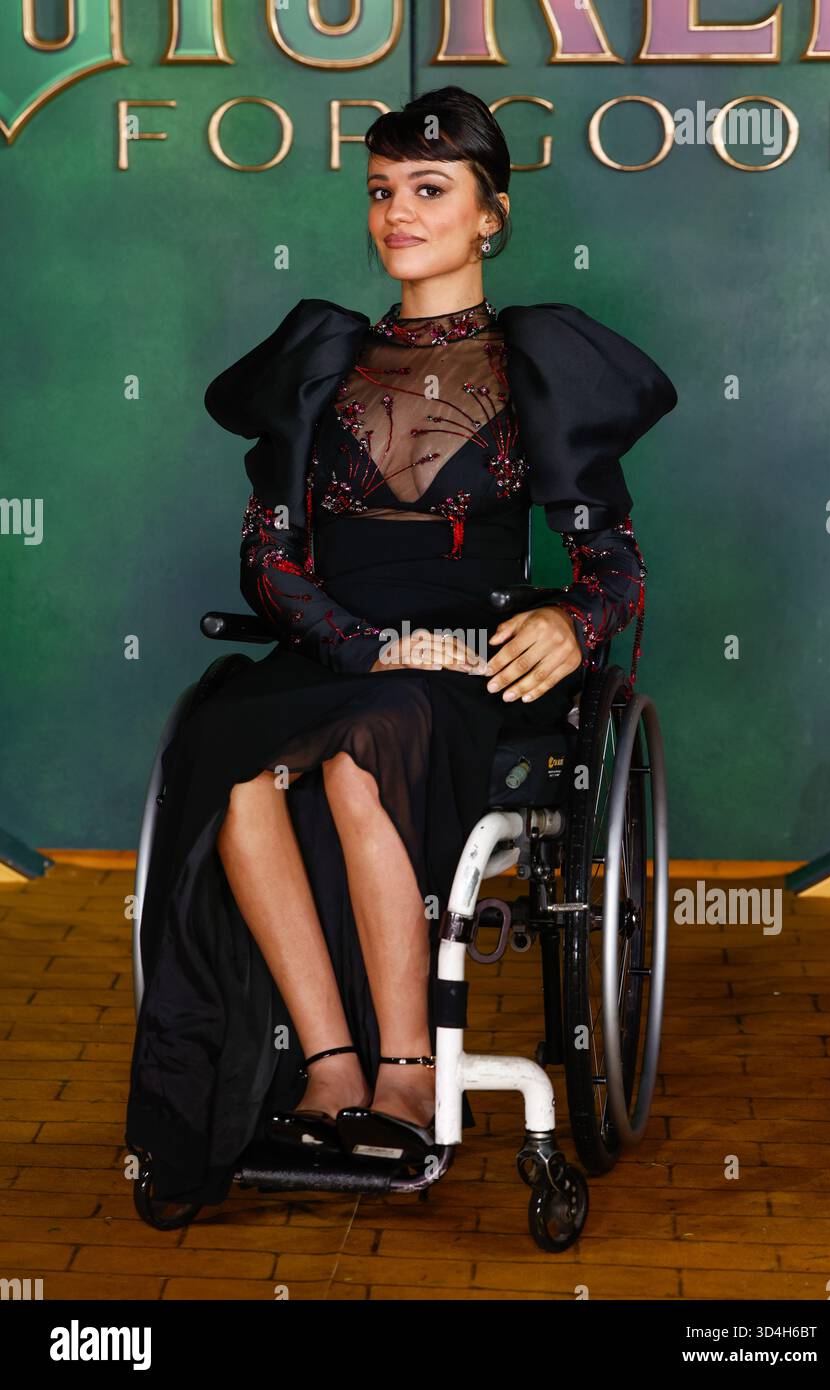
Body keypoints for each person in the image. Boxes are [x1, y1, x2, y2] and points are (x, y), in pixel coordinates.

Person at [125, 86, 677, 1206]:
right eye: (381, 191)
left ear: (490, 216)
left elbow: (616, 570)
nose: (397, 212)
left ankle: (410, 1073)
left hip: (472, 662)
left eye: (429, 190)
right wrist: (365, 646)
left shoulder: (540, 369)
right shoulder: (320, 362)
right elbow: (271, 563)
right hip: (342, 651)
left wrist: (570, 625)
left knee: (366, 746)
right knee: (235, 763)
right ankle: (330, 1065)